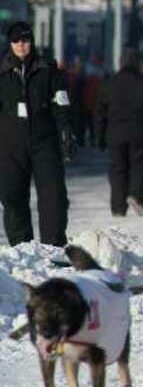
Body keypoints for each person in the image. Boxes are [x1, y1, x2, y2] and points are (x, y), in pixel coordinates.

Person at [0, 21, 73, 246]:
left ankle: (53, 246)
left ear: (32, 42)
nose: (21, 45)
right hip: (10, 145)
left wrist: (66, 133)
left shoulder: (48, 70)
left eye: (25, 40)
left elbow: (61, 105)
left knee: (54, 196)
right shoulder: (2, 73)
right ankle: (22, 247)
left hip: (45, 142)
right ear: (9, 43)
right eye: (16, 41)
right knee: (12, 197)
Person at [94, 49, 143, 217]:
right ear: (137, 63)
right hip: (140, 132)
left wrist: (98, 137)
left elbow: (100, 112)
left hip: (115, 133)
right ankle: (136, 195)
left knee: (118, 169)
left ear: (120, 62)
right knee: (141, 165)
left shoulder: (109, 84)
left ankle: (118, 207)